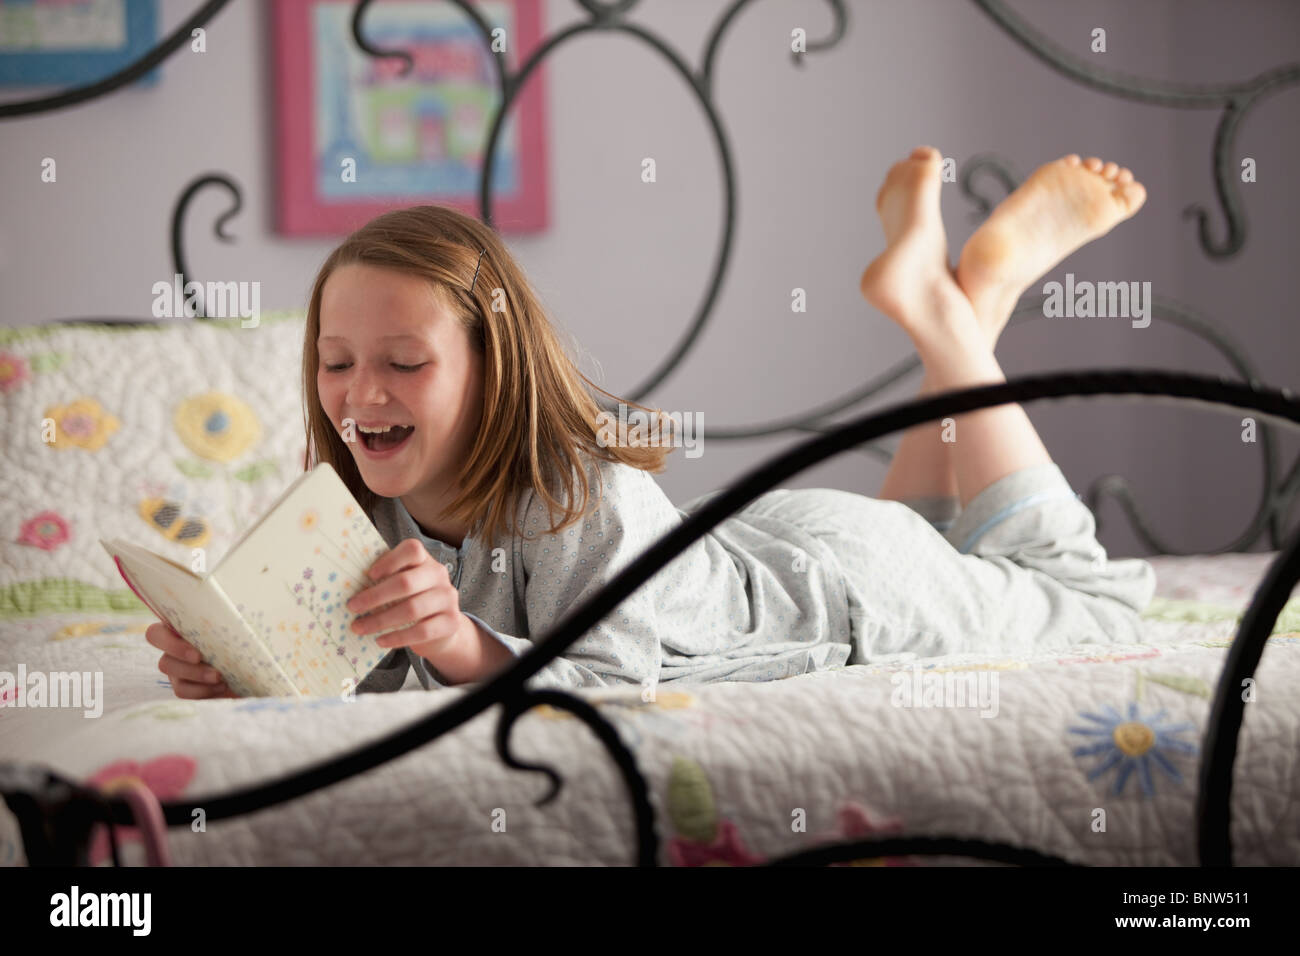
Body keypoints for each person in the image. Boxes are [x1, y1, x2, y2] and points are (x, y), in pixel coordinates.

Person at [147, 147, 1155, 699]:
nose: (360, 393)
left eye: (404, 363)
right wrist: (239, 668)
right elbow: (357, 678)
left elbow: (611, 680)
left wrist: (459, 641)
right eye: (334, 362)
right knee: (948, 535)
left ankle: (950, 317)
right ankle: (967, 312)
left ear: (495, 372)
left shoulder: (575, 493)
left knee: (1082, 598)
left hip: (846, 588)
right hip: (769, 548)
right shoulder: (354, 514)